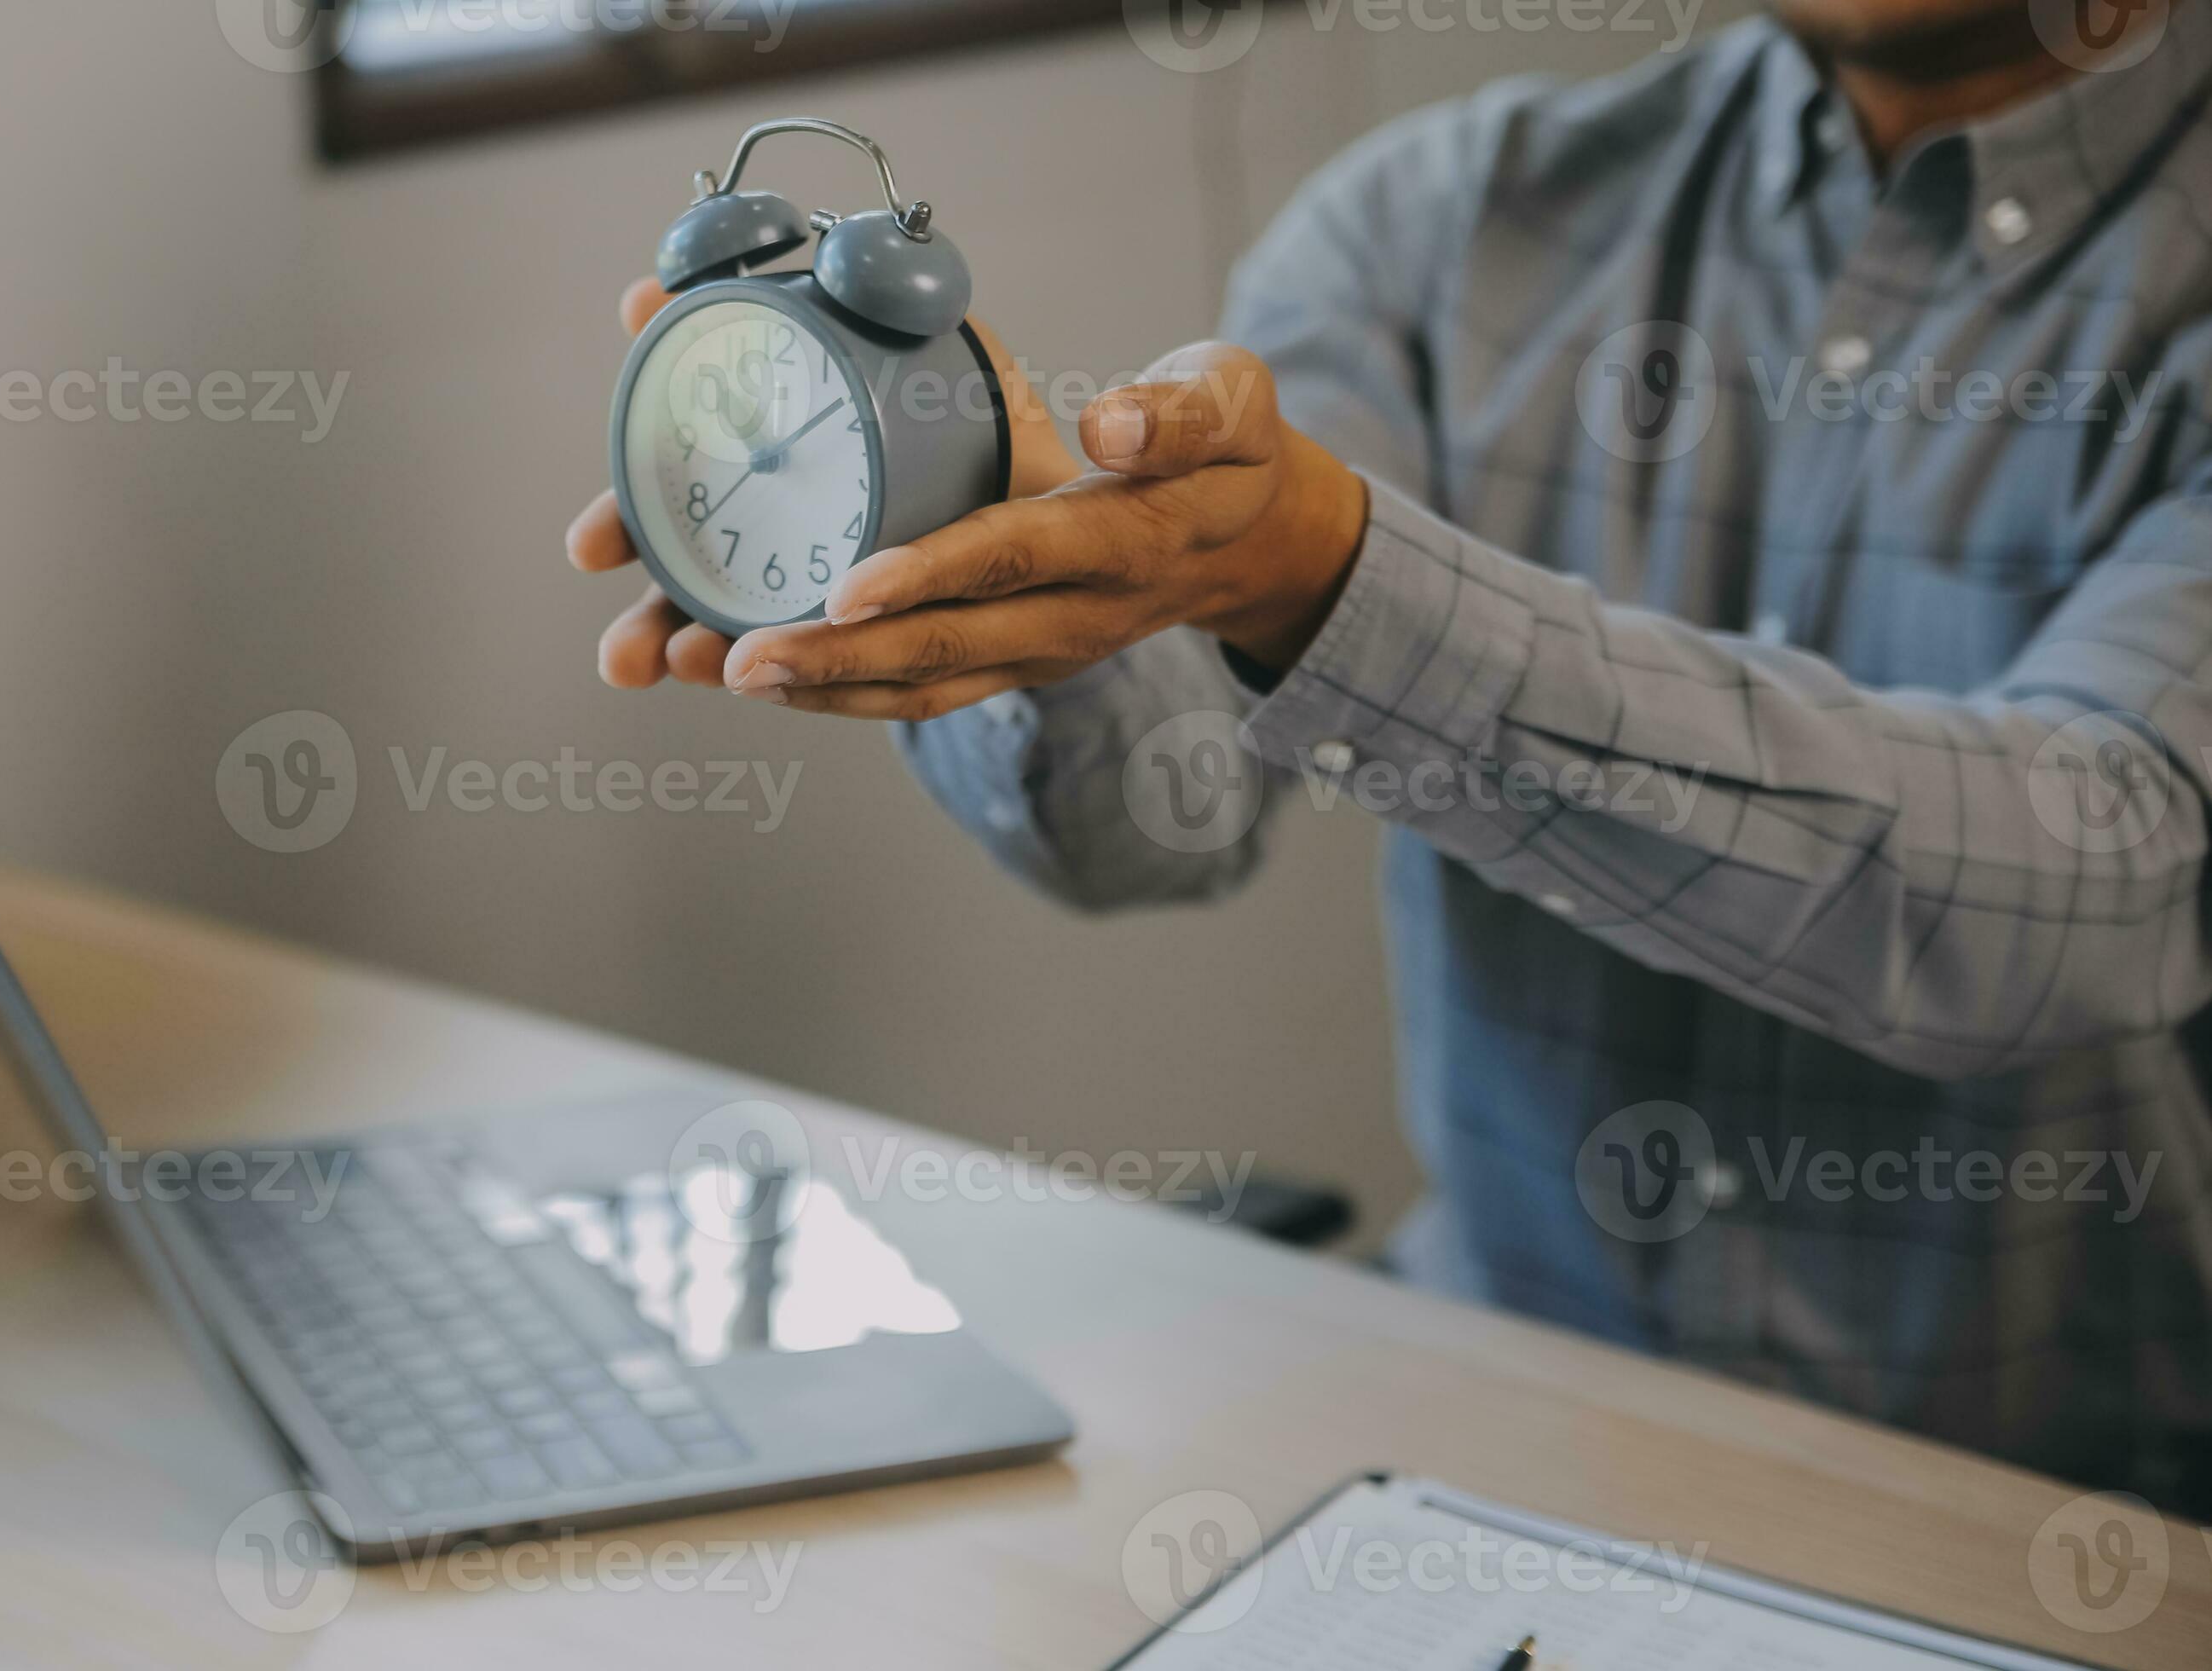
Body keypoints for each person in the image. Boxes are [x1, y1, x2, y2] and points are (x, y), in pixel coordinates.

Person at [566, 1, 2212, 1512]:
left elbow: (2073, 897)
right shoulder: (1445, 217)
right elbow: (1170, 822)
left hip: (2054, 1516)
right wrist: (1017, 576)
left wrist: (1336, 585)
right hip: (1492, 1431)